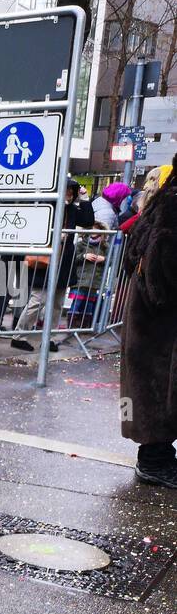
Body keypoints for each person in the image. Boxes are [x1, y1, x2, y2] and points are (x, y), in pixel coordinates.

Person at [120, 165, 177, 488]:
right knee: (153, 392)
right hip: (159, 326)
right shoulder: (170, 205)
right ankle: (154, 460)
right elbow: (159, 268)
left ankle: (157, 458)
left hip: (154, 322)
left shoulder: (164, 202)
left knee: (152, 391)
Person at [11, 179, 91, 353]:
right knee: (38, 300)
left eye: (72, 191)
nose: (69, 193)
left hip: (63, 262)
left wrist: (85, 199)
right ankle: (19, 336)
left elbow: (87, 221)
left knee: (56, 303)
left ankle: (50, 339)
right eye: (67, 190)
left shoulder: (71, 209)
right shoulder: (47, 207)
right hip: (45, 261)